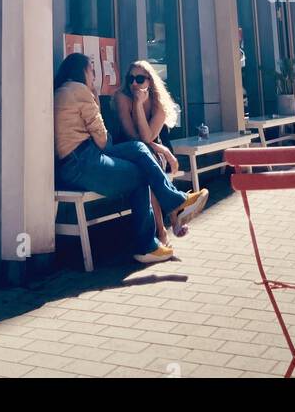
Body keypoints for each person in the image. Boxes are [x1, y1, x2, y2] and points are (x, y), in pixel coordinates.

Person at [54, 52, 197, 264]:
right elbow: (102, 140)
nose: (94, 76)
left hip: (77, 160)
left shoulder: (63, 90)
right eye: (92, 71)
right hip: (83, 161)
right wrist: (93, 96)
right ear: (82, 71)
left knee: (139, 148)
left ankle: (172, 204)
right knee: (140, 175)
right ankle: (148, 242)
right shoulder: (80, 91)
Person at [113, 59, 208, 240]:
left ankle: (165, 228)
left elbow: (148, 137)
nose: (133, 83)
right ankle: (170, 221)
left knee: (151, 163)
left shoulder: (159, 103)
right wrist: (164, 150)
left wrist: (140, 106)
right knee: (149, 162)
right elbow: (134, 138)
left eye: (140, 79)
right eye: (130, 78)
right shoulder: (122, 98)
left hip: (149, 150)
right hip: (127, 149)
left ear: (150, 81)